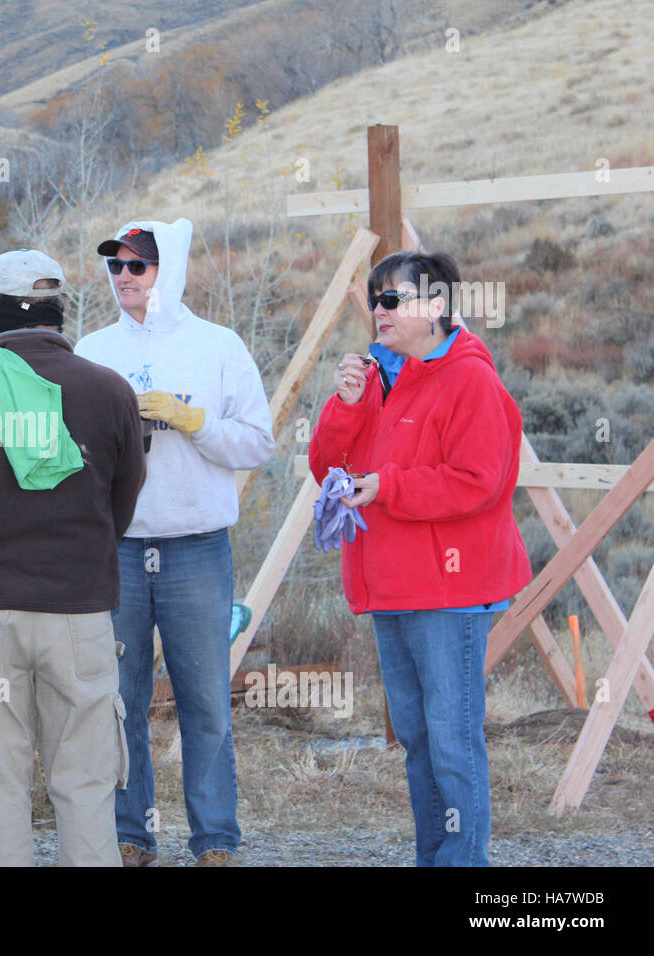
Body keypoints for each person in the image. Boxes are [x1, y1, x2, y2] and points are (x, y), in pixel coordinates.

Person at [0, 249, 146, 866]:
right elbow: (122, 504)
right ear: (57, 312)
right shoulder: (109, 390)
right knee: (86, 783)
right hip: (79, 612)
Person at [308, 250, 530, 867]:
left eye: (390, 299)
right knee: (418, 739)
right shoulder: (383, 375)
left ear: (434, 306)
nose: (377, 311)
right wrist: (347, 404)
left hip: (449, 590)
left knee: (452, 741)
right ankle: (437, 857)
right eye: (374, 299)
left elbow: (479, 481)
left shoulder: (471, 380)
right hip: (391, 587)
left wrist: (390, 486)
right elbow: (326, 467)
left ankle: (465, 865)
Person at [75, 218, 274, 867]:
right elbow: (69, 453)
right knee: (120, 697)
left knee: (206, 701)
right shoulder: (92, 348)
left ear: (172, 270)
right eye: (116, 266)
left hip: (196, 548)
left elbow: (258, 443)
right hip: (120, 547)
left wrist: (194, 422)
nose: (124, 277)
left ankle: (215, 839)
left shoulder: (218, 346)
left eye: (140, 265)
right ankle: (131, 835)